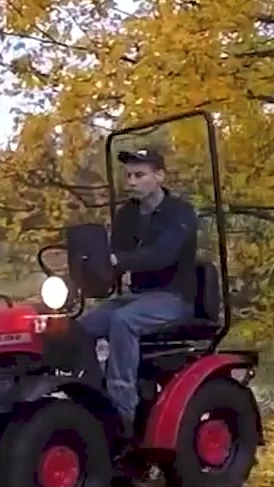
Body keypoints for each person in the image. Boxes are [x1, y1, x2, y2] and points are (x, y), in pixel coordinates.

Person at [78, 147, 199, 440]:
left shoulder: (179, 213)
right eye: (128, 175)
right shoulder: (126, 215)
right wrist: (85, 274)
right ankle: (91, 395)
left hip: (174, 297)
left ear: (159, 176)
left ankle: (123, 412)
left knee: (124, 320)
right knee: (81, 326)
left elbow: (163, 255)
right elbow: (113, 259)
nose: (131, 181)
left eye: (139, 175)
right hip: (139, 296)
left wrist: (118, 261)